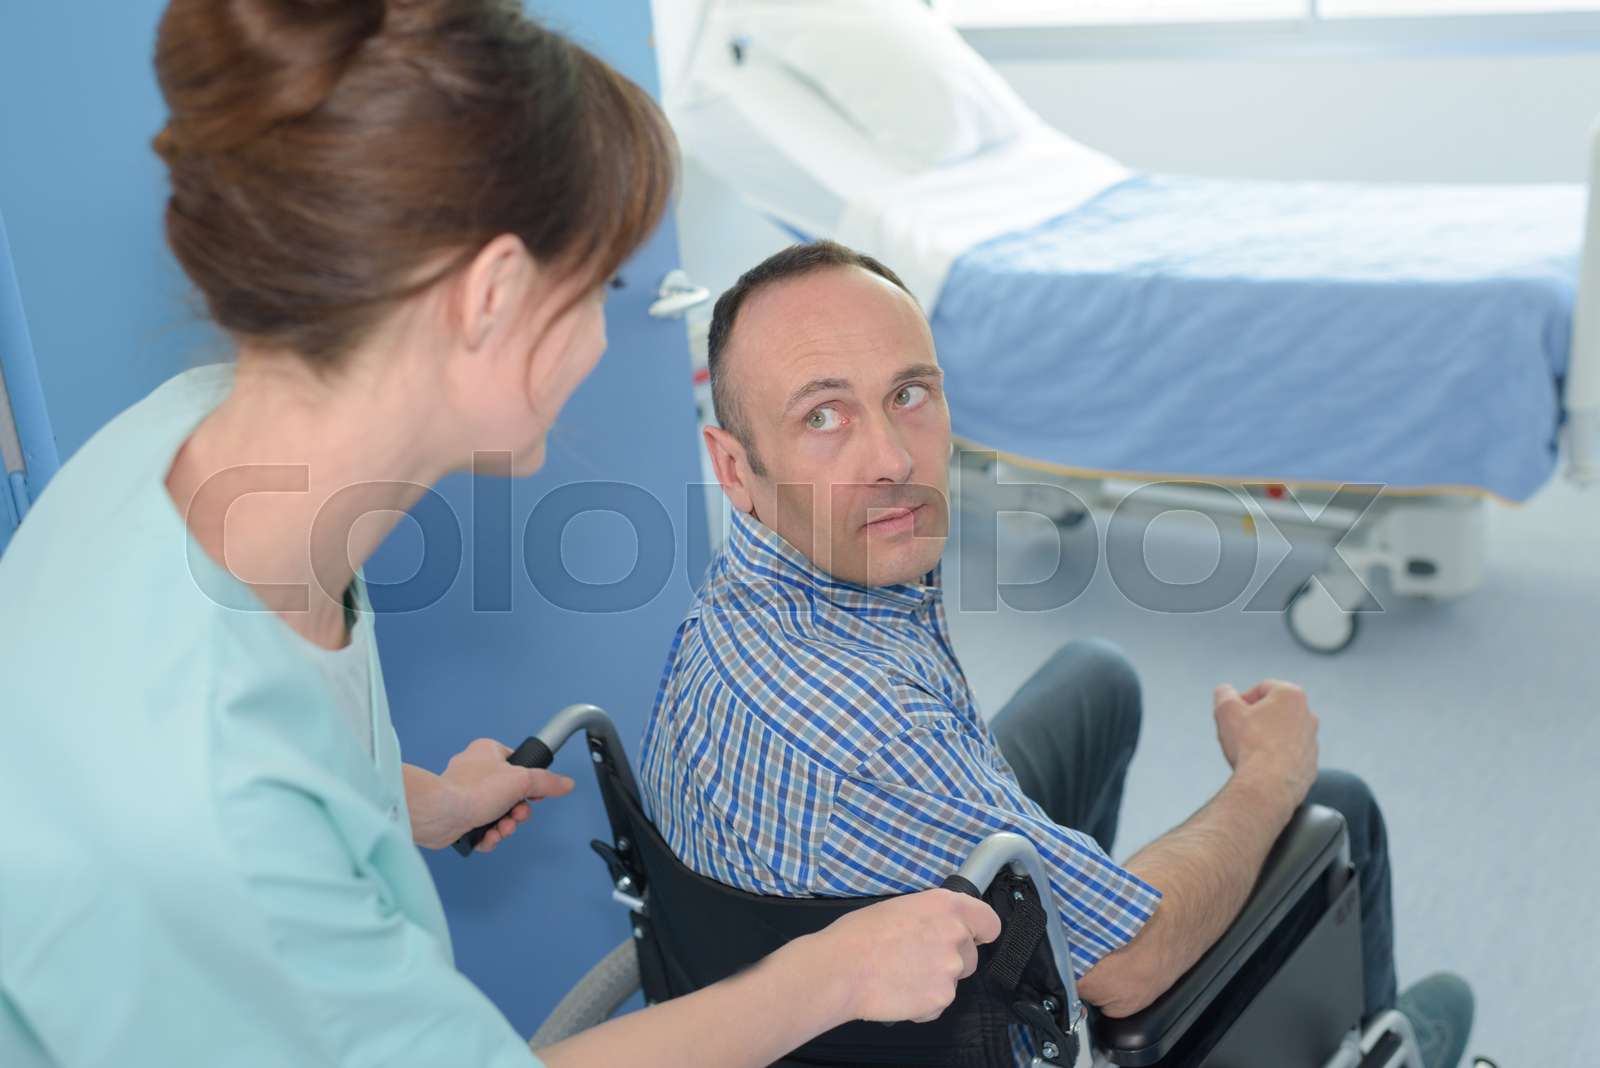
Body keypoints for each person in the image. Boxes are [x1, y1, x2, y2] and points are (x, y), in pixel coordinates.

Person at [0, 6, 1003, 1068]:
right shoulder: (212, 815)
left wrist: (410, 798)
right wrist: (824, 976)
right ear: (491, 300)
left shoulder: (195, 447)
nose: (606, 337)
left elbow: (245, 725)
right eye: (601, 287)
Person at [639, 240, 1477, 1068]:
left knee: (1096, 679)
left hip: (793, 923)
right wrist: (1270, 772)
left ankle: (1072, 901)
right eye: (822, 416)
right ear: (734, 466)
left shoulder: (756, 586)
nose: (893, 459)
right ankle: (1383, 1048)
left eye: (908, 393)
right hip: (958, 1026)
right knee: (1334, 805)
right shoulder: (864, 732)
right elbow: (1130, 965)